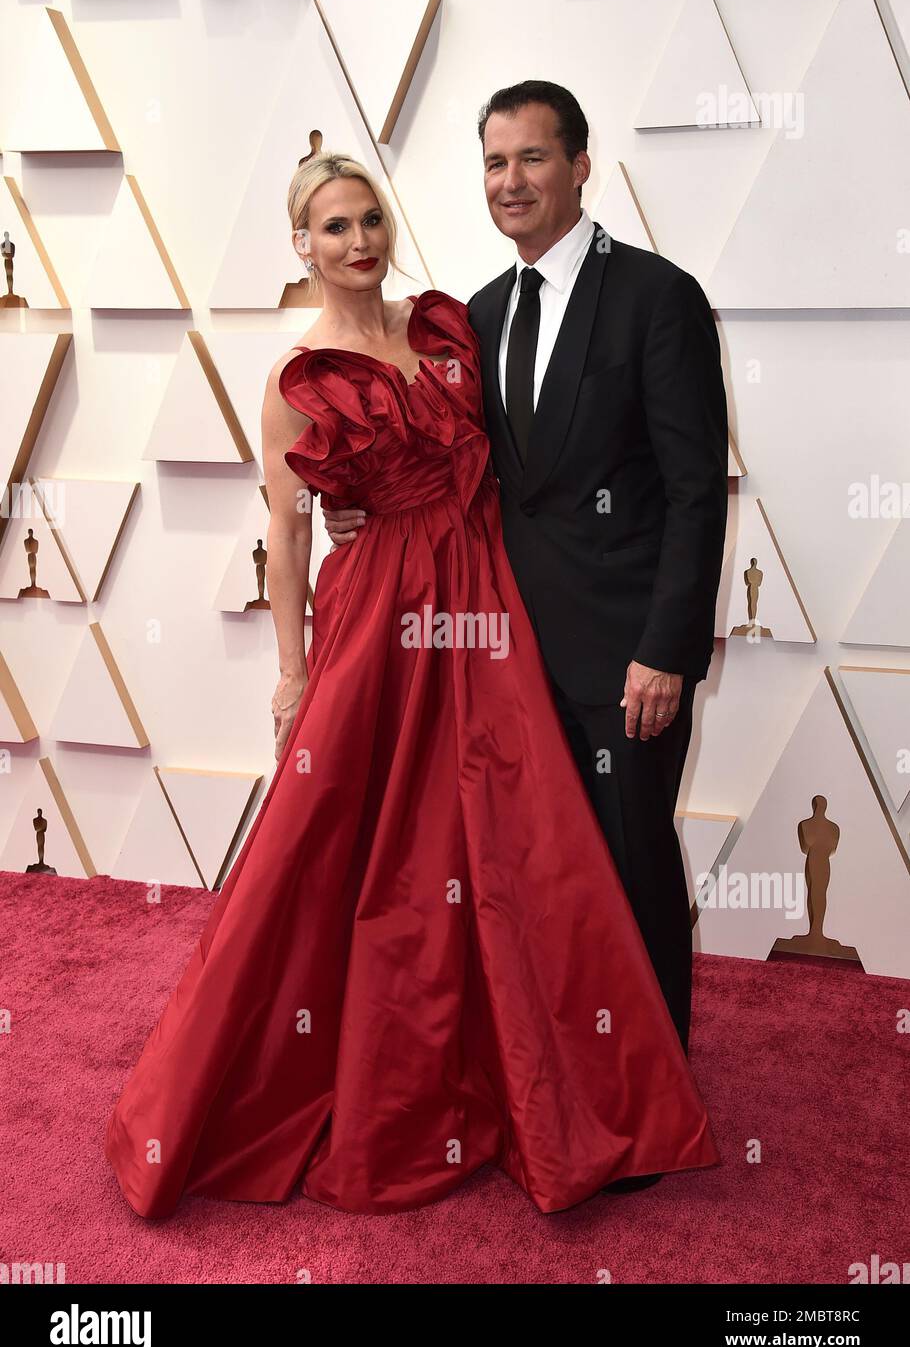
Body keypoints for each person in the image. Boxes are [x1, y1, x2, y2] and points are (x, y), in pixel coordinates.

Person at [103, 150, 720, 1221]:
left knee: (505, 836)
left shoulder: (447, 328)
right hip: (381, 618)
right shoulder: (295, 376)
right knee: (354, 843)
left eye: (368, 220)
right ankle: (327, 1077)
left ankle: (521, 1073)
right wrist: (294, 670)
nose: (357, 242)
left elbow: (517, 457)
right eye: (332, 227)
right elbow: (287, 535)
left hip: (483, 604)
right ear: (301, 245)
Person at [325, 84, 729, 1107]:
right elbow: (454, 471)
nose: (511, 182)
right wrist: (354, 512)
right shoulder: (479, 315)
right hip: (505, 655)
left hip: (624, 655)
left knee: (632, 872)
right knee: (544, 882)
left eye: (533, 159)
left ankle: (650, 1099)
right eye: (494, 163)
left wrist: (666, 649)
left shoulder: (654, 295)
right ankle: (565, 1085)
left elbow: (695, 490)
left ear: (581, 166)